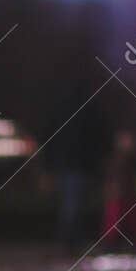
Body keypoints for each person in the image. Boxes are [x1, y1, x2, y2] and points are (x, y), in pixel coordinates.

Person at [47, 79, 108, 255]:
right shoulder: (88, 109)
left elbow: (51, 135)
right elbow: (99, 135)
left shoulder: (63, 109)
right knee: (74, 203)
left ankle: (69, 241)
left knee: (71, 202)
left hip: (68, 163)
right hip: (78, 163)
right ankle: (69, 241)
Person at [102, 128, 136, 250]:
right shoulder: (115, 160)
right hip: (117, 195)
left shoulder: (133, 160)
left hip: (130, 194)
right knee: (114, 217)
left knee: (134, 218)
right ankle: (111, 243)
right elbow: (111, 179)